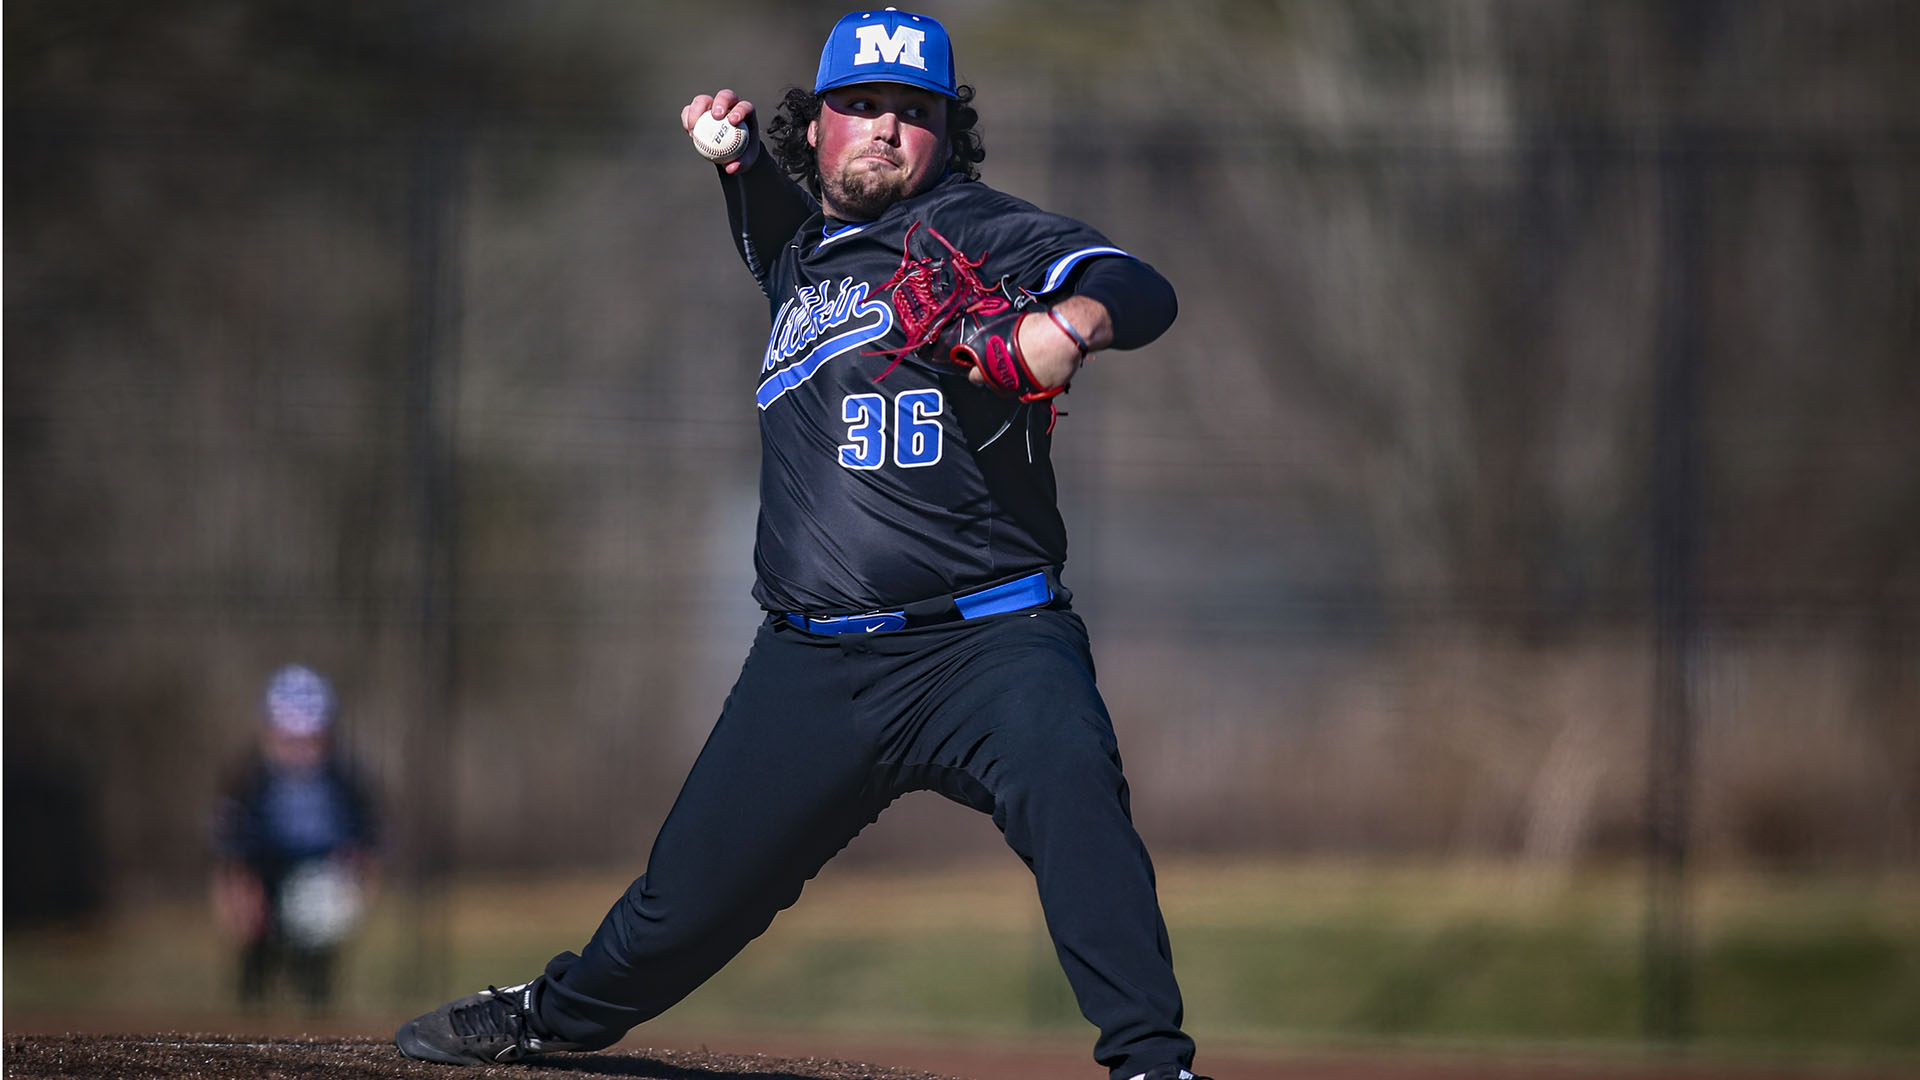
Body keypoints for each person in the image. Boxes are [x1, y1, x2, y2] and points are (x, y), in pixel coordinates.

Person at [395, 9, 1205, 1079]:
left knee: (1074, 796)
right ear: (816, 124)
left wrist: (1069, 325)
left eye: (914, 113)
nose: (885, 129)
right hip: (814, 664)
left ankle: (1154, 1064)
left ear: (945, 136)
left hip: (990, 642)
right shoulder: (796, 250)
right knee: (681, 905)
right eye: (860, 105)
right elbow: (768, 219)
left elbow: (1139, 285)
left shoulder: (972, 229)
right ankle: (553, 1012)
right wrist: (730, 158)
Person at [211, 663, 379, 1011]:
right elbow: (232, 842)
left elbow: (367, 836)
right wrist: (237, 889)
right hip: (266, 874)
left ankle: (316, 1008)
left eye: (311, 739)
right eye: (289, 739)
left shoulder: (345, 776)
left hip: (321, 876)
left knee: (314, 959)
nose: (301, 750)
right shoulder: (249, 776)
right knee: (258, 957)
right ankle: (249, 1010)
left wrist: (359, 882)